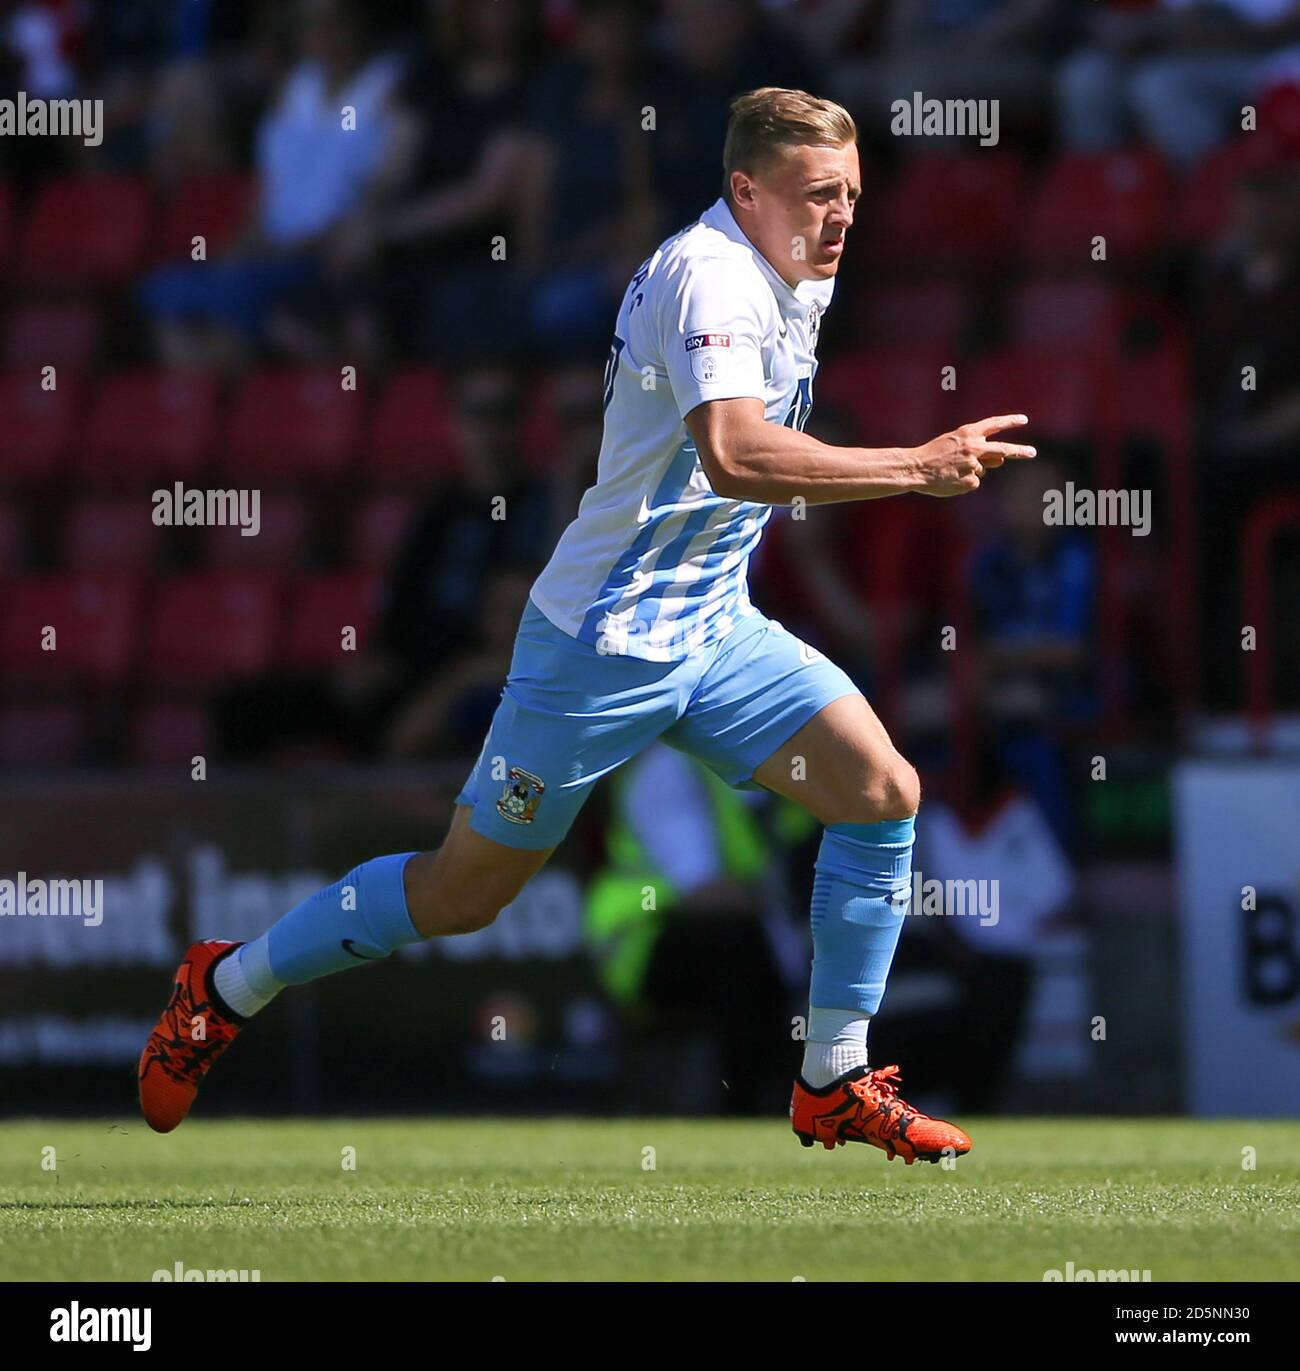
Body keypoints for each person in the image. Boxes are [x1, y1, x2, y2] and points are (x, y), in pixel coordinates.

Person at [138, 87, 1037, 1164]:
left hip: (713, 628)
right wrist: (916, 467)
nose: (840, 216)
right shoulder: (712, 277)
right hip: (600, 643)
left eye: (849, 194)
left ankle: (832, 1078)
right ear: (744, 192)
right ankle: (226, 984)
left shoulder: (792, 264)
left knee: (882, 792)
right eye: (815, 196)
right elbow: (738, 459)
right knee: (460, 892)